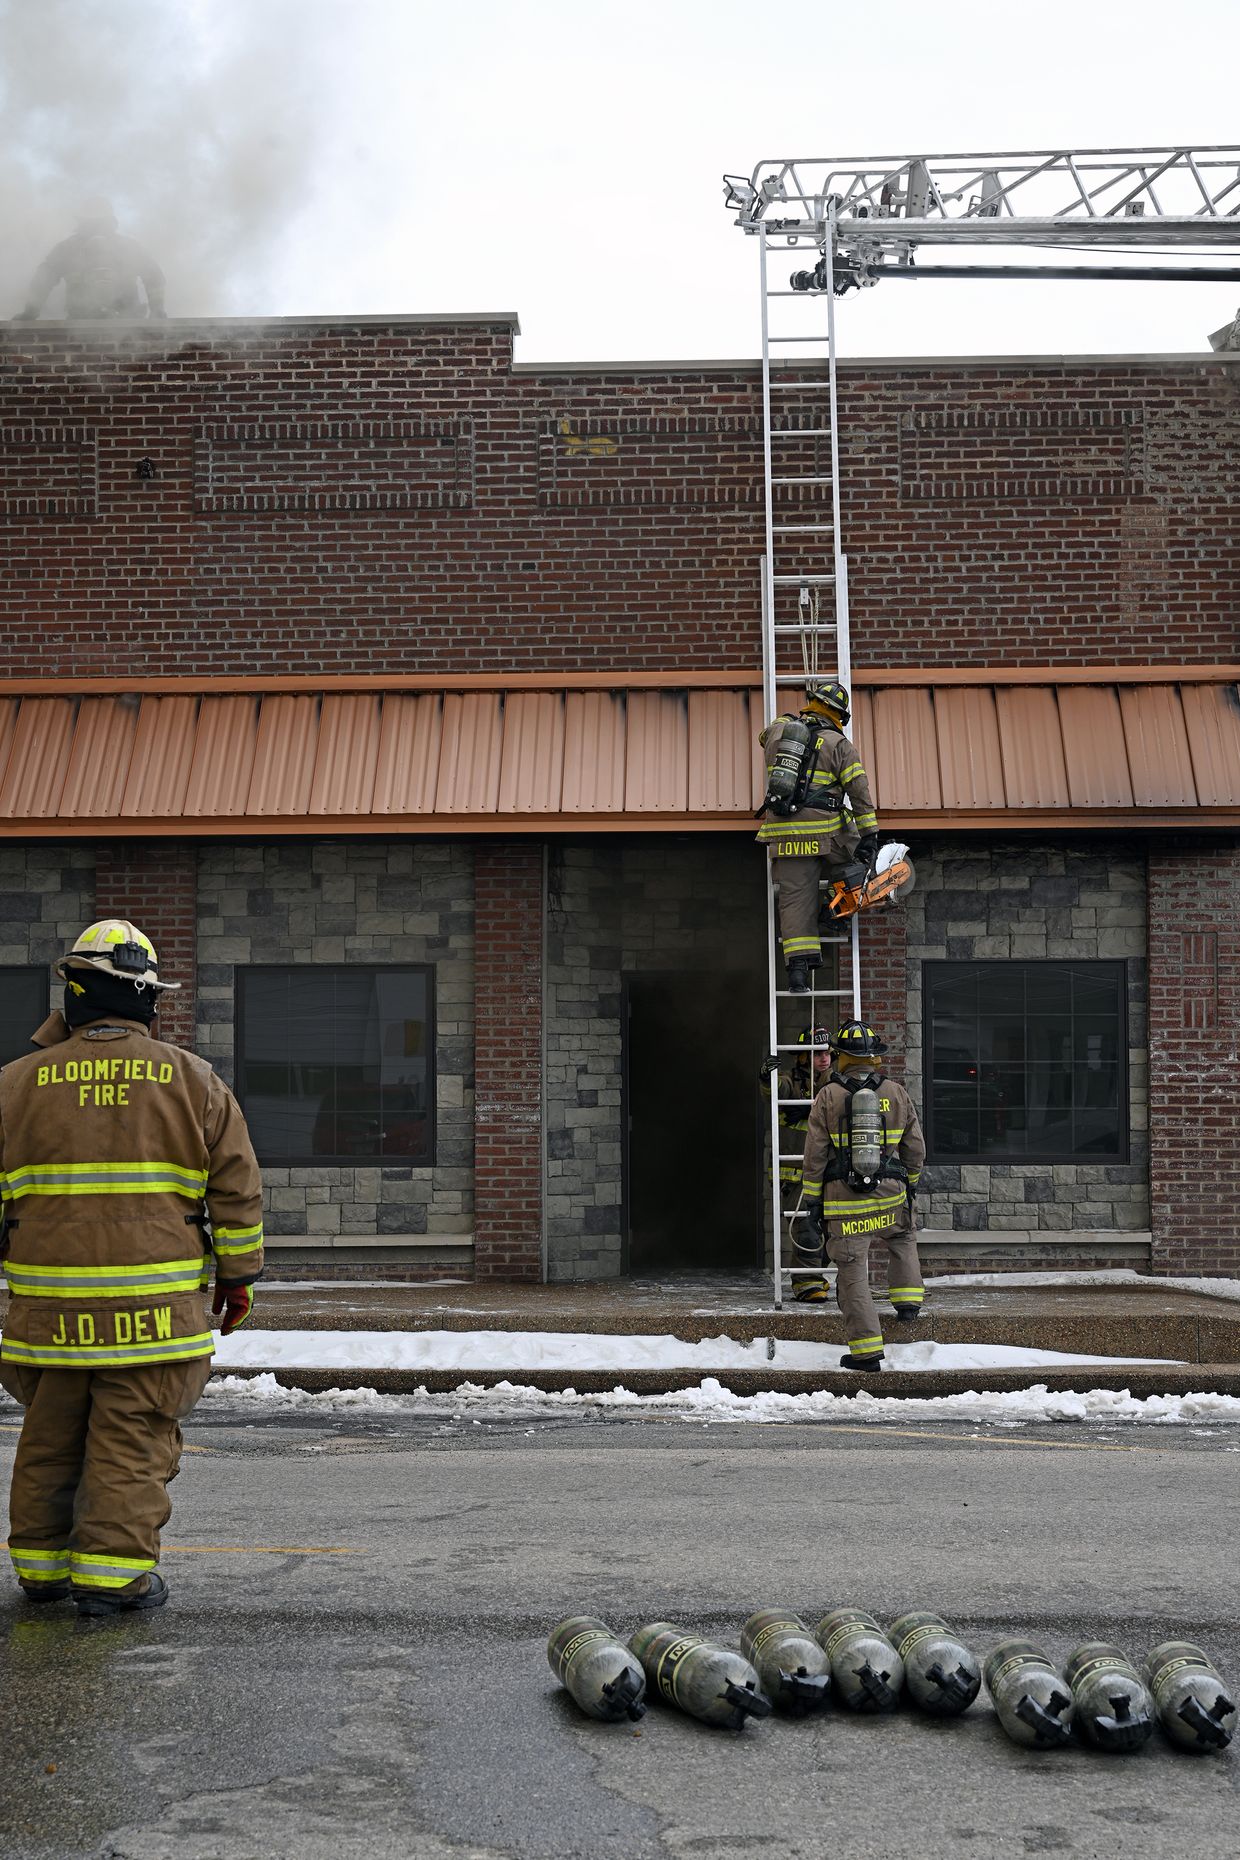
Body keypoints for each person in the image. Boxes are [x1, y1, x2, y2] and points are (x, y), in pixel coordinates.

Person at [0, 919, 262, 1614]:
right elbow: (236, 1189)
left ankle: (41, 1571)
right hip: (154, 1323)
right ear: (145, 999)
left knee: (49, 1440)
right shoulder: (193, 1081)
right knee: (131, 1441)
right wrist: (237, 1279)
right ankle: (113, 1579)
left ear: (74, 995)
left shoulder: (13, 1086)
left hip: (45, 1322)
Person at [799, 1020, 926, 1371]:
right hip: (890, 1195)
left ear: (840, 1057)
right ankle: (908, 1304)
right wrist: (910, 1183)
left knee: (853, 1271)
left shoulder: (829, 1095)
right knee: (903, 1237)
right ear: (876, 1059)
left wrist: (812, 1200)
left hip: (846, 1202)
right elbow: (915, 1147)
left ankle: (867, 1352)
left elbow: (815, 1155)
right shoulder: (896, 1092)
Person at [756, 681, 879, 994]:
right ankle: (835, 910)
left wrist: (784, 719)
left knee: (795, 899)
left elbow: (763, 735)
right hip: (825, 828)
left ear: (811, 703)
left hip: (783, 834)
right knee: (870, 866)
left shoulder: (778, 734)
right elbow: (859, 790)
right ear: (838, 714)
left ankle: (797, 971)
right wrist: (870, 835)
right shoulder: (838, 743)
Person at [759, 1025, 834, 1302]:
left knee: (830, 1229)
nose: (824, 1058)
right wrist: (767, 1076)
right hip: (796, 1174)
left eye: (826, 1052)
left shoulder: (836, 1083)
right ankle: (806, 1283)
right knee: (806, 1227)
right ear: (802, 1057)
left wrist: (805, 1108)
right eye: (816, 1053)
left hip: (828, 1171)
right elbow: (774, 1091)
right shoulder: (791, 1082)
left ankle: (816, 1277)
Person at [13, 198, 166, 322]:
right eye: (91, 223)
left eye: (99, 223)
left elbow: (154, 277)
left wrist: (157, 310)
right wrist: (30, 312)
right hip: (81, 323)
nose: (96, 228)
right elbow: (43, 280)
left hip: (127, 323)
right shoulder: (67, 249)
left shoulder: (129, 247)